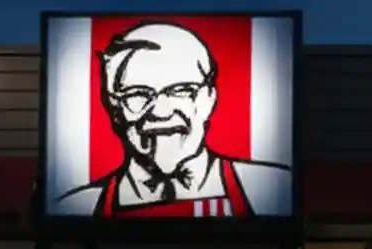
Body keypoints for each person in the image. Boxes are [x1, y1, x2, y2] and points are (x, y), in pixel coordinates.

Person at [56, 22, 290, 217]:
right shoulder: (78, 208)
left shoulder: (272, 188)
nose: (161, 111)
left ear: (209, 99)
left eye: (181, 90)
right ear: (115, 110)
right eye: (137, 94)